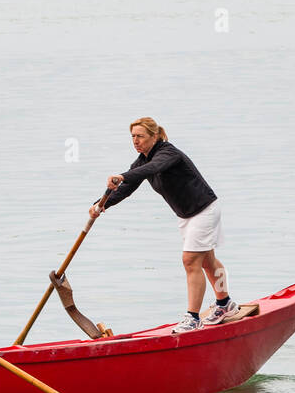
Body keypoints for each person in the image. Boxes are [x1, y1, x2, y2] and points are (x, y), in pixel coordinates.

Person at [90, 118, 237, 333]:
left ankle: (193, 318)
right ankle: (226, 305)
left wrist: (122, 175)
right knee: (207, 260)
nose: (135, 141)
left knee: (190, 260)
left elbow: (153, 168)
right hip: (187, 214)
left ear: (155, 136)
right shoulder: (142, 161)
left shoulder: (168, 153)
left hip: (204, 209)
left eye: (140, 136)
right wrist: (102, 204)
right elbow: (128, 186)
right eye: (132, 136)